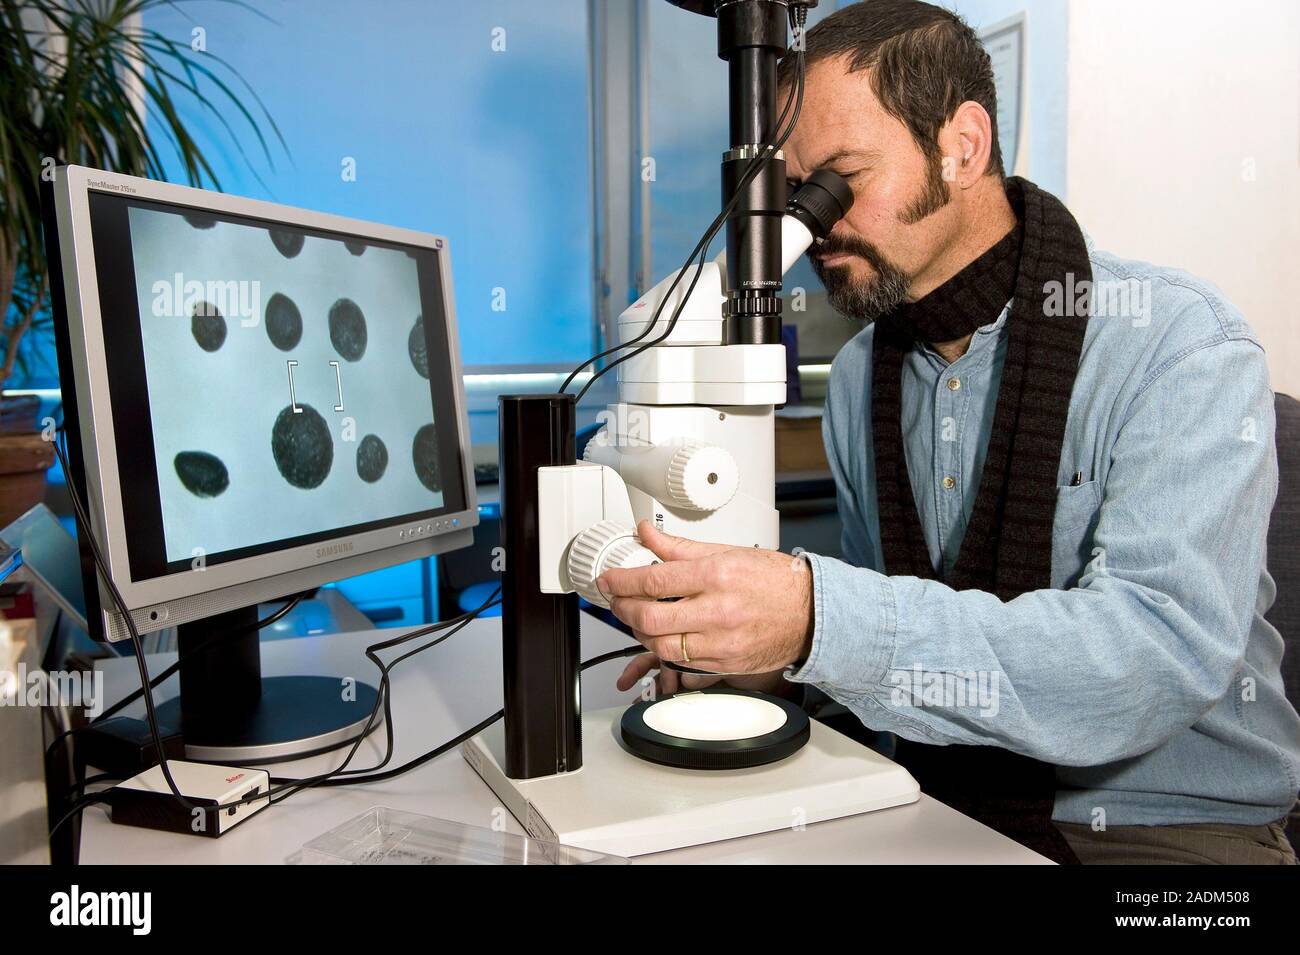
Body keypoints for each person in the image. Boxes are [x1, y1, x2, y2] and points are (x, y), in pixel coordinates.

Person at [598, 0, 1300, 865]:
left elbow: (1153, 659)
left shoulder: (1179, 343)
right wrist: (759, 655)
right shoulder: (863, 374)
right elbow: (887, 646)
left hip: (1174, 831)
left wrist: (819, 617)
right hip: (934, 796)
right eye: (793, 194)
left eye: (838, 179)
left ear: (962, 145)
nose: (811, 227)